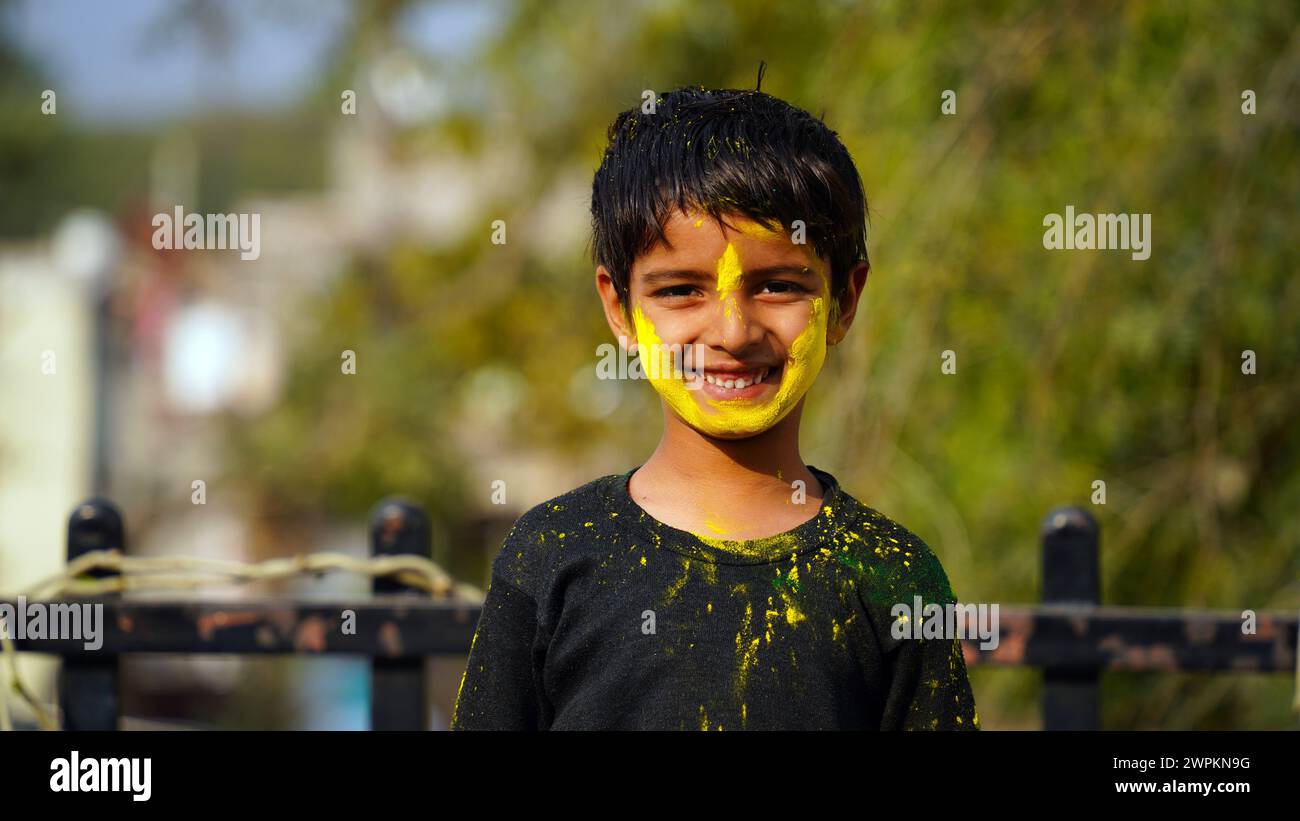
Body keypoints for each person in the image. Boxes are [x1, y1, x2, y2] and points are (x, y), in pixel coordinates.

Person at [451, 84, 979, 730]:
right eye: (680, 290)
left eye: (779, 285)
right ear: (619, 308)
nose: (732, 331)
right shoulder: (551, 556)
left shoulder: (893, 577)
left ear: (844, 300)